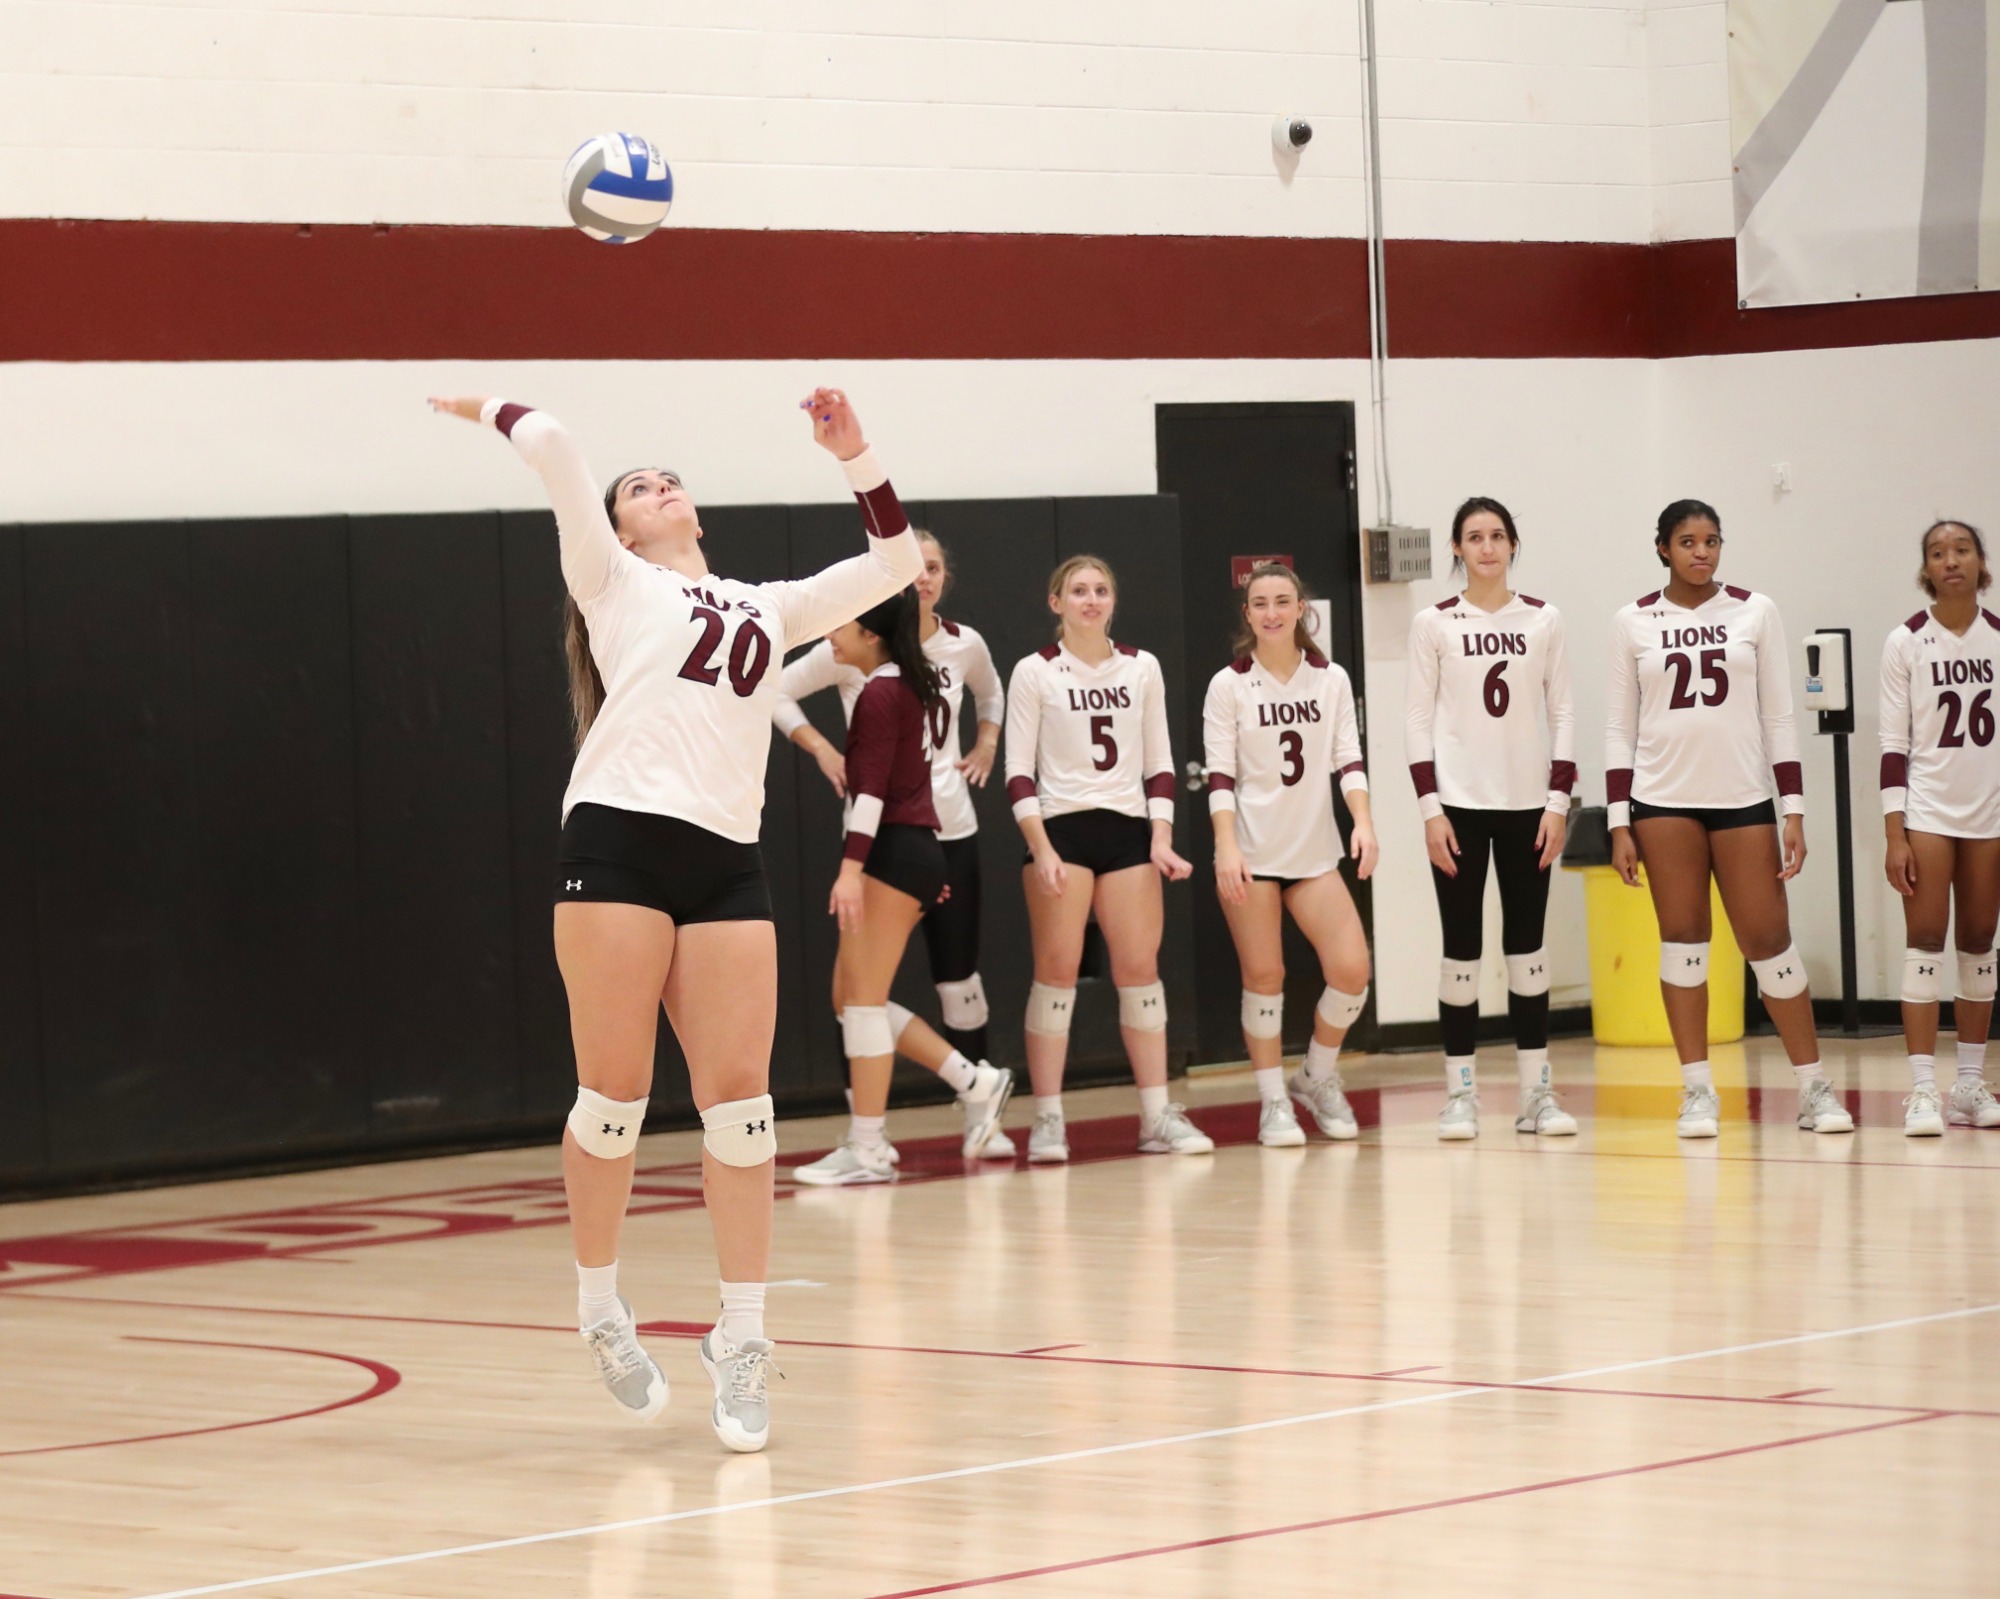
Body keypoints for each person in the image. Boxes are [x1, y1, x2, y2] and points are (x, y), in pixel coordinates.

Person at [429, 385, 921, 1451]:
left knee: (742, 1110)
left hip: (723, 858)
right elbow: (555, 442)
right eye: (637, 488)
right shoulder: (609, 580)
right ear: (619, 527)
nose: (658, 487)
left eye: (667, 480)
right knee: (613, 1100)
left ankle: (740, 1336)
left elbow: (893, 565)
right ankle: (600, 1306)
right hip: (616, 843)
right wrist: (483, 405)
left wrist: (853, 452)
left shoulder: (764, 603)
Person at [1606, 499, 1852, 1138]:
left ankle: (1814, 1086)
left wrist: (1792, 808)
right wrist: (1617, 820)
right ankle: (1697, 1092)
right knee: (1683, 941)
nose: (1701, 552)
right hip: (1662, 802)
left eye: (1712, 541)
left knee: (1770, 943)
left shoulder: (1755, 610)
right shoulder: (1631, 621)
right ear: (1663, 547)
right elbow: (1619, 727)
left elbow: (1778, 717)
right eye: (1687, 541)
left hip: (1743, 799)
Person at [773, 530, 1013, 1158]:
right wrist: (822, 748)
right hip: (908, 836)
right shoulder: (898, 675)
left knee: (871, 997)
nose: (830, 633)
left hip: (895, 840)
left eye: (841, 623)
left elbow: (875, 789)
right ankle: (969, 1080)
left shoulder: (889, 685)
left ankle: (875, 1140)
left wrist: (851, 868)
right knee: (851, 996)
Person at [1004, 555, 1205, 1161]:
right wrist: (1040, 849)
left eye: (1100, 591)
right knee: (1057, 971)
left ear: (1112, 601)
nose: (1090, 600)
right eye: (1078, 591)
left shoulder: (1142, 667)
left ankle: (1155, 1116)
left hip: (1128, 833)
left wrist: (1161, 838)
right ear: (1055, 602)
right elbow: (1017, 773)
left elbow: (1160, 764)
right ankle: (1048, 1120)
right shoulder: (1034, 673)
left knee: (1140, 970)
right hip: (1060, 831)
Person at [1405, 499, 1577, 1139]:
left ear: (1513, 545)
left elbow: (1564, 712)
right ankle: (1461, 1095)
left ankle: (1537, 1095)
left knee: (1528, 950)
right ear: (1456, 547)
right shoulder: (1434, 623)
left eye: (1498, 536)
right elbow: (1416, 722)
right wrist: (1430, 810)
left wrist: (1558, 803)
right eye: (1474, 537)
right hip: (1457, 810)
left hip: (1529, 807)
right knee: (1461, 952)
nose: (1486, 547)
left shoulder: (1543, 619)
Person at [1204, 564, 1376, 1147]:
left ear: (1301, 607)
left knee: (1352, 971)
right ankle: (1273, 1100)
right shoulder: (1228, 684)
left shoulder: (1329, 679)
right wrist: (1225, 845)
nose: (1272, 612)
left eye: (1282, 601)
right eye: (1260, 603)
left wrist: (1364, 823)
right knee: (1265, 976)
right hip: (1251, 851)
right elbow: (1221, 776)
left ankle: (1316, 1078)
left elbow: (1348, 759)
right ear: (1247, 613)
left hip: (1313, 852)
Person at [1880, 520, 2000, 1135]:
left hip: (1989, 814)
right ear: (1925, 569)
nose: (1950, 560)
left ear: (1981, 564)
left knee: (1979, 942)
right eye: (1937, 552)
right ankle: (1925, 1090)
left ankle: (1971, 1086)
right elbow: (1892, 745)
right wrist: (1894, 831)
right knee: (1925, 940)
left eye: (1961, 550)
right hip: (1927, 810)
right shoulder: (1905, 641)